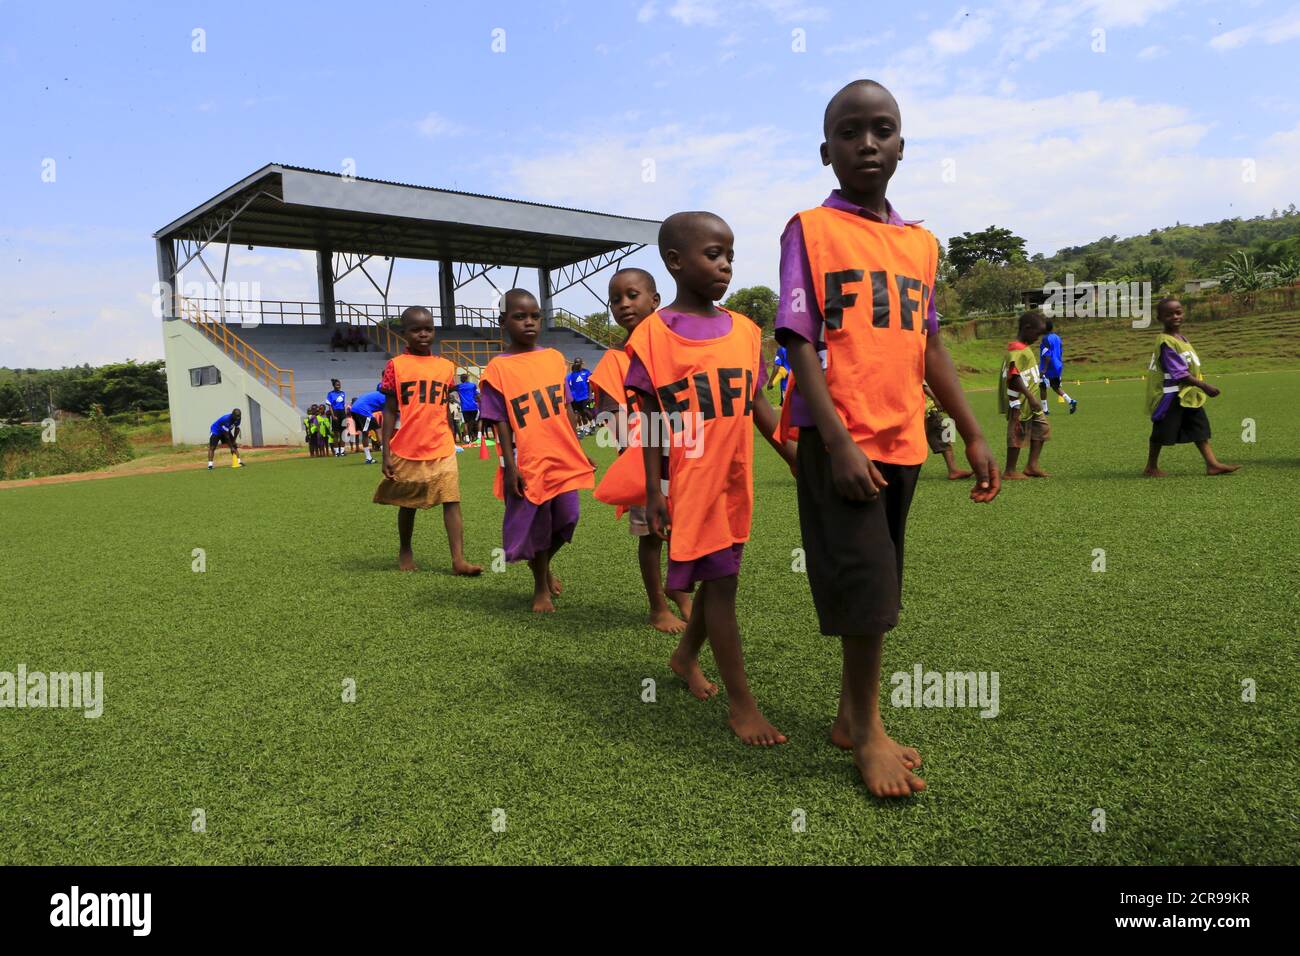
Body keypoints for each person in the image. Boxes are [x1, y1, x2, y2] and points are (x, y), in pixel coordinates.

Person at [777, 79, 1000, 796]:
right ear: (826, 151)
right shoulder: (809, 230)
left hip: (904, 438)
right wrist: (837, 440)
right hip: (841, 441)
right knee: (867, 586)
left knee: (880, 583)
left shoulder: (921, 244)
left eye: (881, 129)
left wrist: (970, 431)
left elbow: (930, 346)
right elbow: (800, 342)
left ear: (902, 146)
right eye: (849, 132)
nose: (866, 143)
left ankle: (850, 715)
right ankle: (868, 732)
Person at [623, 211, 797, 746]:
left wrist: (791, 453)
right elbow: (651, 421)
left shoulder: (745, 330)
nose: (725, 265)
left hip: (736, 482)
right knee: (721, 588)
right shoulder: (651, 338)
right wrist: (654, 489)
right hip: (692, 486)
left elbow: (758, 401)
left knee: (723, 580)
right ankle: (743, 706)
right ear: (675, 262)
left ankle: (683, 658)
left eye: (730, 256)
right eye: (713, 255)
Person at [479, 289, 597, 612]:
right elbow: (499, 422)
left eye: (534, 316)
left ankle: (541, 566)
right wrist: (508, 466)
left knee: (570, 516)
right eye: (520, 316)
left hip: (562, 454)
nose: (529, 322)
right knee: (541, 522)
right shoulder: (497, 370)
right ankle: (540, 588)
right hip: (529, 459)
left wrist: (579, 448)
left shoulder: (553, 358)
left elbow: (567, 407)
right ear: (503, 321)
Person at [591, 267, 693, 633]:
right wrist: (629, 457)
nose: (623, 304)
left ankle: (679, 588)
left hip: (684, 455)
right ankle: (657, 607)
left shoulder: (675, 351)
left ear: (655, 300)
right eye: (615, 299)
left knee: (684, 530)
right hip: (644, 463)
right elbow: (608, 413)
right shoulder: (615, 361)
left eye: (632, 295)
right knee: (651, 536)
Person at [373, 306, 484, 575]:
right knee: (407, 504)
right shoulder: (395, 366)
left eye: (429, 329)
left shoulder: (446, 366)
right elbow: (389, 410)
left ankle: (458, 560)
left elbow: (444, 405)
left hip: (442, 446)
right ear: (404, 334)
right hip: (408, 447)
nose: (423, 334)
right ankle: (405, 550)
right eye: (416, 329)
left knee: (451, 499)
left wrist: (453, 434)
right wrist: (386, 451)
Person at [1143, 297, 1240, 477]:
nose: (1175, 316)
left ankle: (1213, 465)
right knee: (1162, 432)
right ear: (1160, 318)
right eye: (1169, 314)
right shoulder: (1166, 342)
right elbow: (1179, 373)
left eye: (1178, 312)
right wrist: (1205, 386)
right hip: (1170, 396)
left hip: (1187, 394)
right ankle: (1151, 467)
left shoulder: (1181, 339)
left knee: (1199, 429)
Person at [1001, 311, 1051, 479]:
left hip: (1032, 401)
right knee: (1017, 432)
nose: (1038, 338)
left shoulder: (1025, 349)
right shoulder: (1016, 350)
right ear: (1027, 328)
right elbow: (1014, 377)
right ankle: (1010, 470)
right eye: (1037, 334)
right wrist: (1030, 397)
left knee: (1041, 429)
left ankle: (1032, 465)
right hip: (1020, 401)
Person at [923, 382, 974, 480]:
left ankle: (953, 470)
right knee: (942, 435)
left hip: (922, 409)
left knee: (941, 434)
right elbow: (923, 384)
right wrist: (936, 399)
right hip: (925, 409)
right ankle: (953, 470)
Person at [1038, 320, 1077, 414]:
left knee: (1042, 387)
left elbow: (1047, 355)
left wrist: (1044, 369)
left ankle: (1045, 410)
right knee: (1055, 387)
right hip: (1057, 366)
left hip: (1048, 368)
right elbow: (1060, 351)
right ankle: (1071, 401)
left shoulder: (1045, 339)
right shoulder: (1057, 338)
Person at [350, 387, 386, 465]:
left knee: (365, 433)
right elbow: (387, 414)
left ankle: (368, 458)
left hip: (354, 409)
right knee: (378, 430)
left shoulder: (379, 395)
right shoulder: (385, 397)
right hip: (363, 410)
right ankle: (385, 456)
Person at [566, 358, 595, 436]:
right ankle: (585, 429)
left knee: (585, 411)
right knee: (581, 414)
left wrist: (590, 394)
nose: (577, 364)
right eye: (576, 363)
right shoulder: (570, 376)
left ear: (581, 363)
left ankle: (593, 424)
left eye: (578, 363)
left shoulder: (586, 372)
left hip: (585, 396)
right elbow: (569, 387)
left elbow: (590, 384)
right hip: (575, 398)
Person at [454, 373, 480, 443]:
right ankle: (474, 437)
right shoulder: (473, 385)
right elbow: (477, 395)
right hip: (473, 406)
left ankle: (468, 438)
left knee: (466, 423)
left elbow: (450, 389)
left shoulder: (459, 386)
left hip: (465, 407)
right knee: (472, 422)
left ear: (461, 379)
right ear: (467, 378)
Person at [326, 380, 347, 457]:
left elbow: (343, 404)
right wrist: (333, 415)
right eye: (337, 385)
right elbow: (330, 406)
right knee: (336, 433)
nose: (338, 386)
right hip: (335, 413)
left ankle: (342, 451)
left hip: (342, 413)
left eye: (339, 385)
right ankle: (336, 452)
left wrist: (345, 416)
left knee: (343, 433)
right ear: (334, 385)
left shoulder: (343, 393)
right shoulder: (330, 394)